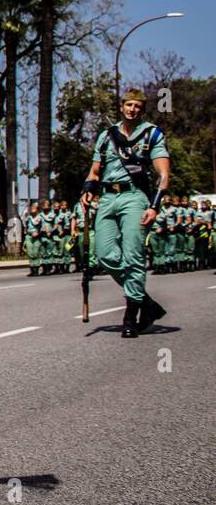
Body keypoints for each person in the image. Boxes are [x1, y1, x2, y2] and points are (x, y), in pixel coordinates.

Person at [81, 89, 170, 338]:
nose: (132, 109)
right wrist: (87, 190)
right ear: (121, 107)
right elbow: (94, 173)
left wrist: (154, 206)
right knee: (105, 254)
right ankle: (146, 303)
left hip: (134, 197)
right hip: (107, 198)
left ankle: (130, 316)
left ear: (142, 110)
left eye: (137, 106)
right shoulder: (106, 136)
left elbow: (163, 175)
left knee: (132, 255)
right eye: (128, 105)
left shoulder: (151, 134)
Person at [22, 202, 42, 276]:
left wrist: (38, 233)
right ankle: (32, 270)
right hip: (29, 236)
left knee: (35, 253)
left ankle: (36, 270)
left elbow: (42, 228)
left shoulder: (40, 218)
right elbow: (26, 227)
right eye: (31, 209)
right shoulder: (28, 218)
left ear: (37, 210)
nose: (32, 211)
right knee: (30, 253)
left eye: (34, 209)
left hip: (37, 237)